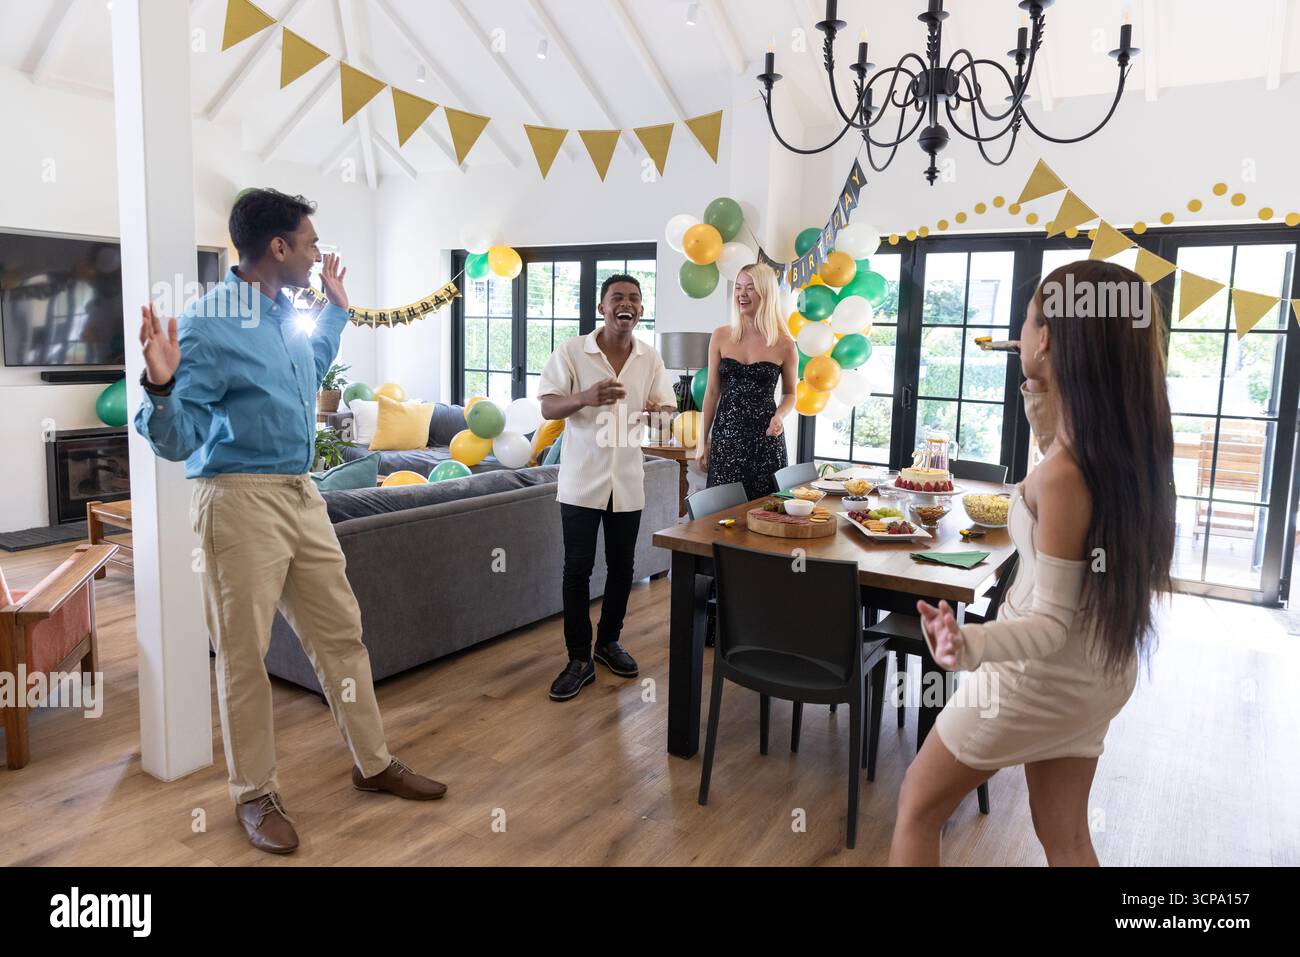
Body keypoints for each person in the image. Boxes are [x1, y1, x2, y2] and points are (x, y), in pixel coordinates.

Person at [134, 188, 446, 855]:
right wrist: (161, 388)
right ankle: (254, 793)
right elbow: (178, 437)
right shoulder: (208, 322)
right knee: (243, 654)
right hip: (238, 497)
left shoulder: (285, 313)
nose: (315, 252)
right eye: (308, 242)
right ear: (277, 247)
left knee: (342, 634)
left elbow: (307, 367)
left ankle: (373, 762)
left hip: (301, 494)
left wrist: (337, 307)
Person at [890, 260, 1175, 866]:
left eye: (1029, 323)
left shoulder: (1067, 475)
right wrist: (1037, 386)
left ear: (1047, 338)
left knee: (917, 805)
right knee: (1065, 835)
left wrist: (966, 645)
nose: (1019, 334)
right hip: (1098, 669)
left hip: (1035, 675)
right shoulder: (1120, 451)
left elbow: (1048, 626)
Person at [537, 274, 677, 702]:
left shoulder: (649, 358)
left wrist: (659, 414)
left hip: (628, 482)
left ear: (640, 309)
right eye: (618, 296)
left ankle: (608, 643)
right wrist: (585, 398)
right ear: (602, 307)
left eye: (635, 298)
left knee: (622, 569)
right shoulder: (572, 352)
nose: (627, 303)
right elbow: (547, 405)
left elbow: (667, 414)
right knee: (576, 571)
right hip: (581, 482)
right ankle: (578, 659)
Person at [697, 263, 797, 500]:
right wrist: (702, 442)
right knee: (720, 518)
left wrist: (780, 415)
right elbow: (711, 392)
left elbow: (791, 394)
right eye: (738, 288)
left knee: (766, 514)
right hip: (726, 440)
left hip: (765, 439)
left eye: (750, 288)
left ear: (766, 293)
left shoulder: (785, 343)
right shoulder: (720, 335)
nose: (742, 294)